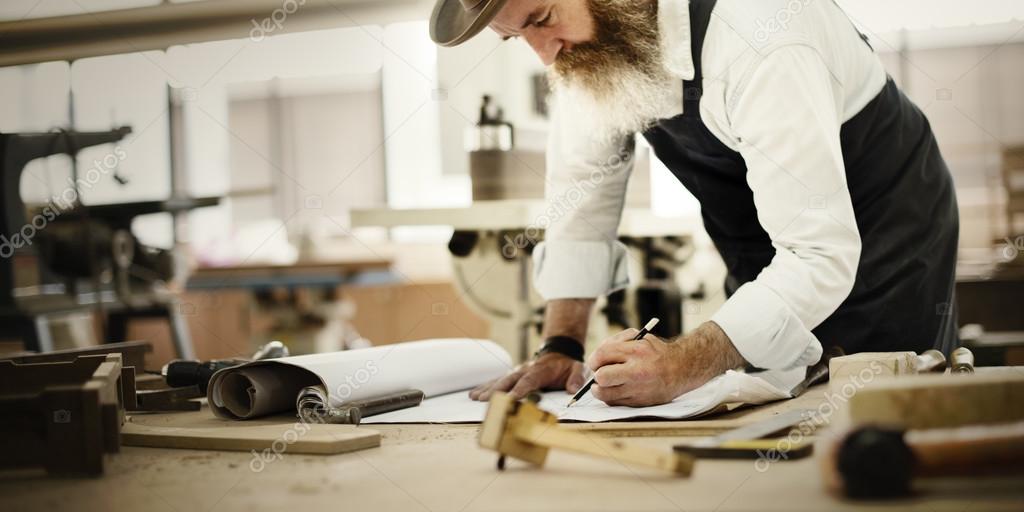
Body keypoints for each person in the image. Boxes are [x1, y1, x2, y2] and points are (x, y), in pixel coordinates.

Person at [429, 0, 959, 406]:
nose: (544, 53)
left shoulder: (759, 33)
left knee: (875, 407)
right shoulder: (589, 46)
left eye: (542, 18)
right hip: (764, 242)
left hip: (885, 226)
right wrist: (561, 344)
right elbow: (583, 193)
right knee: (761, 401)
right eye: (515, 36)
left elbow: (818, 253)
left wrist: (684, 361)